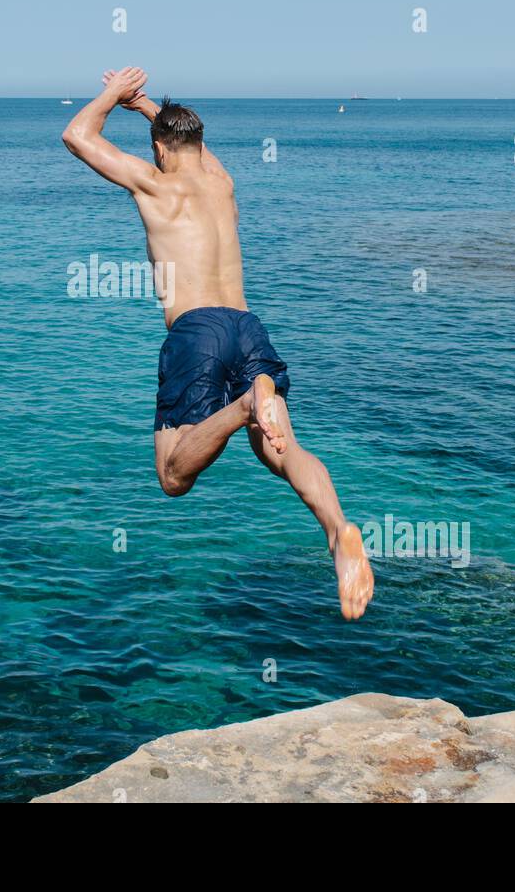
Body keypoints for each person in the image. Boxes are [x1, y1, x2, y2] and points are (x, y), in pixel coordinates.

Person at [61, 67, 374, 620]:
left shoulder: (155, 183)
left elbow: (78, 136)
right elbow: (187, 141)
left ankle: (245, 405)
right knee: (283, 453)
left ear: (160, 148)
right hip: (249, 328)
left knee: (172, 477)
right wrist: (146, 107)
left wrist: (114, 96)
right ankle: (338, 529)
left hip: (197, 332)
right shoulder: (221, 181)